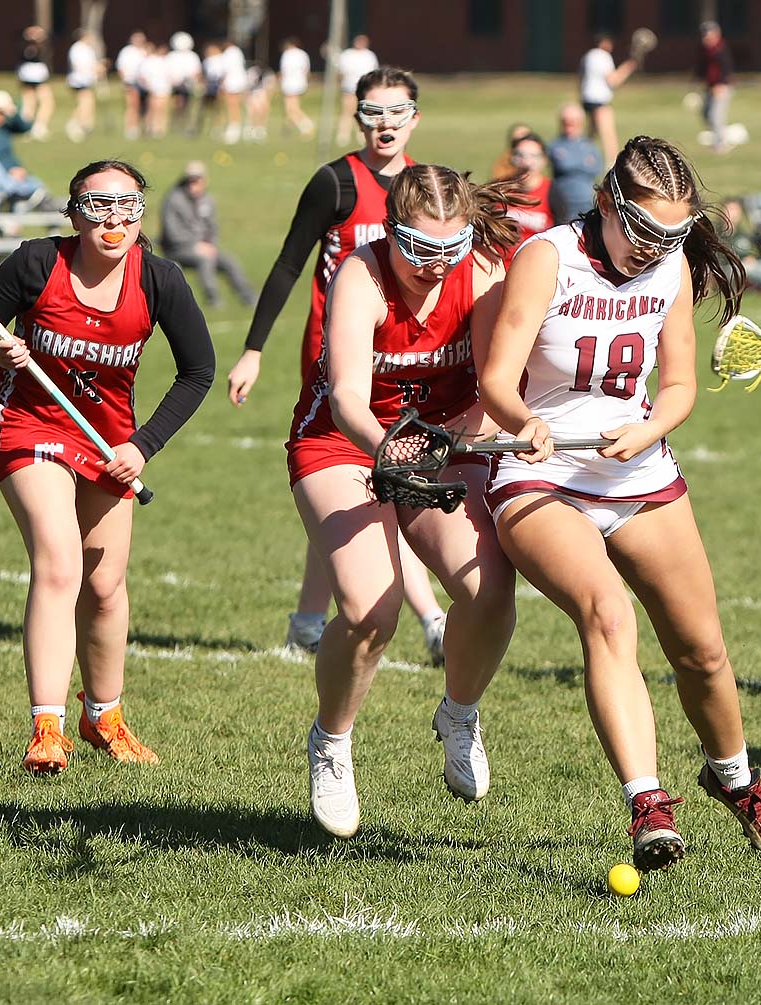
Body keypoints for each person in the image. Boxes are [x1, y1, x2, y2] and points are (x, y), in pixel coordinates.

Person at [478, 135, 761, 868]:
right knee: (607, 611)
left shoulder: (671, 270)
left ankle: (734, 779)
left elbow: (680, 382)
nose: (654, 248)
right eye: (644, 230)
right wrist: (525, 424)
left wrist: (650, 425)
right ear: (605, 203)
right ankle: (648, 805)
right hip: (543, 471)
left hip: (636, 468)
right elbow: (498, 377)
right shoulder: (547, 256)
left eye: (673, 235)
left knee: (704, 650)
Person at [0, 158, 215, 774]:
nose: (113, 220)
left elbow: (198, 371)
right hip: (30, 426)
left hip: (109, 441)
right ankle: (45, 728)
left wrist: (142, 445)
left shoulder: (159, 280)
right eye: (98, 207)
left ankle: (104, 717)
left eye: (127, 206)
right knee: (59, 561)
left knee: (104, 588)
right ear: (73, 214)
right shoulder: (36, 262)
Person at [288, 163, 522, 836]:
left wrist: (461, 438)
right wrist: (392, 451)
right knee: (370, 610)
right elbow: (348, 398)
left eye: (447, 249)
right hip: (345, 444)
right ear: (389, 232)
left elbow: (492, 391)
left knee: (490, 587)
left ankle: (459, 710)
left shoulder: (479, 272)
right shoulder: (360, 276)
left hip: (442, 440)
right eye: (417, 248)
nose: (432, 265)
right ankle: (331, 743)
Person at [227, 67, 448, 659]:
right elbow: (287, 264)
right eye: (373, 111)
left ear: (415, 117)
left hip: (410, 360)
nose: (385, 124)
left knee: (351, 492)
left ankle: (305, 619)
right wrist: (253, 350)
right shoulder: (335, 183)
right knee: (374, 480)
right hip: (339, 364)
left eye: (397, 111)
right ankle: (432, 619)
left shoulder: (429, 193)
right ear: (356, 116)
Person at [159, 160, 256, 308]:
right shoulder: (173, 199)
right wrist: (196, 245)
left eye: (197, 179)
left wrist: (211, 244)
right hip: (178, 250)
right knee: (204, 260)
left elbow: (213, 227)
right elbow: (172, 233)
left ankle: (249, 298)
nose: (194, 183)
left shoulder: (208, 200)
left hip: (206, 247)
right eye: (191, 180)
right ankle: (213, 300)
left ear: (204, 180)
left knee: (230, 262)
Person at [578, 34, 639, 166]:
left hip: (586, 98)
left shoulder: (588, 56)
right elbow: (613, 80)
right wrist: (629, 67)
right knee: (608, 134)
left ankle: (582, 156)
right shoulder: (603, 56)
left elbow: (581, 78)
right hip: (599, 99)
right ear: (605, 43)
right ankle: (613, 162)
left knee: (591, 134)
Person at [548, 103, 603, 225]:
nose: (569, 124)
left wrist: (569, 162)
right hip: (563, 204)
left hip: (587, 202)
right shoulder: (555, 145)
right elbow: (562, 164)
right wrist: (582, 163)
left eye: (573, 121)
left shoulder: (590, 146)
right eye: (566, 121)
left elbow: (596, 168)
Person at [502, 133, 554, 255]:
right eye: (520, 155)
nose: (527, 162)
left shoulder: (554, 192)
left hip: (535, 263)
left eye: (533, 156)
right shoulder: (500, 190)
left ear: (544, 160)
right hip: (501, 264)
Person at [334, 35, 379, 146]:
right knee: (347, 111)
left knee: (363, 112)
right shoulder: (347, 54)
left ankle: (362, 135)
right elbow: (340, 72)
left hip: (364, 88)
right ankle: (343, 135)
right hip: (349, 87)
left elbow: (374, 73)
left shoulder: (369, 55)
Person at [697, 21, 734, 154]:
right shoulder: (705, 50)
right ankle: (720, 139)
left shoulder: (721, 49)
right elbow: (702, 68)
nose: (706, 38)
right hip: (710, 86)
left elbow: (726, 69)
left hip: (721, 87)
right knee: (706, 114)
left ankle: (721, 145)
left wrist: (721, 84)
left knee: (716, 115)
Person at [16, 25, 54, 141]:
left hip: (25, 73)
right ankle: (38, 126)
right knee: (46, 102)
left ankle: (27, 127)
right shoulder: (34, 47)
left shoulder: (24, 46)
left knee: (29, 102)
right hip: (35, 73)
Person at [65, 30, 102, 143]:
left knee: (88, 102)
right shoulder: (77, 48)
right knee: (84, 102)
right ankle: (74, 123)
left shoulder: (88, 49)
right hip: (79, 80)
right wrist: (93, 70)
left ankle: (84, 124)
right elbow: (79, 65)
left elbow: (92, 63)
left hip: (88, 79)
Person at [115, 31, 148, 140]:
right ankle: (131, 128)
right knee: (133, 106)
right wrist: (125, 81)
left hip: (145, 84)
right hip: (131, 82)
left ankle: (142, 127)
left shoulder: (145, 51)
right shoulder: (127, 52)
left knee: (144, 108)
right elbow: (121, 68)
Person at [279, 37, 315, 137]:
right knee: (292, 108)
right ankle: (293, 128)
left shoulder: (287, 54)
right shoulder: (303, 54)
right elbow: (307, 70)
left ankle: (306, 124)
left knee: (291, 108)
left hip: (289, 83)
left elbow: (284, 70)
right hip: (300, 83)